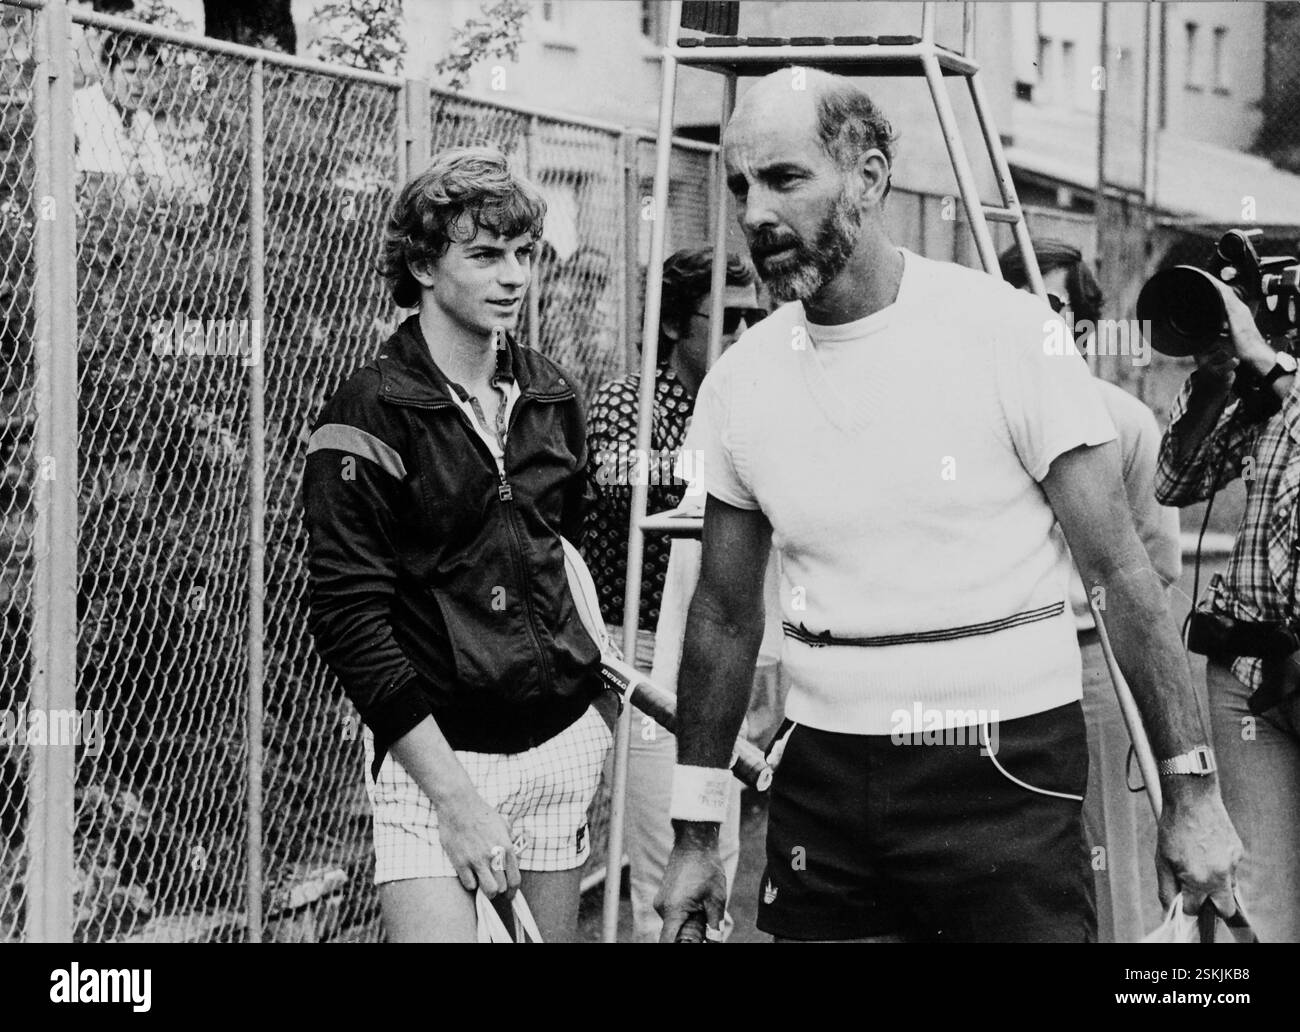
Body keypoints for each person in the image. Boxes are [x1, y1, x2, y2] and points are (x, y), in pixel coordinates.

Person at [655, 68, 1241, 944]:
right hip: (825, 778)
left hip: (1005, 767)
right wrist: (697, 831)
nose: (754, 213)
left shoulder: (1009, 336)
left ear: (871, 176)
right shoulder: (739, 382)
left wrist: (1191, 794)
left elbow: (1121, 574)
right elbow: (726, 616)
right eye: (740, 185)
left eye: (785, 178)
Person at [303, 147, 614, 943]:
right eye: (483, 255)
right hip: (436, 764)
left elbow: (563, 565)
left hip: (558, 750)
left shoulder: (553, 395)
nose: (513, 276)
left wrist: (596, 717)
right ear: (423, 264)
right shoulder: (369, 411)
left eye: (522, 254)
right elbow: (349, 621)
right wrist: (455, 800)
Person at [1000, 240, 1181, 942]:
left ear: (1079, 324)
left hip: (1092, 662)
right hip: (1001, 664)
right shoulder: (981, 422)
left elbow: (1156, 564)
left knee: (1111, 860)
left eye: (1049, 307)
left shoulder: (1123, 421)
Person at [580, 248, 763, 942]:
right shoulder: (633, 400)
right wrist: (719, 460)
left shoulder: (744, 404)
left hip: (719, 657)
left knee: (716, 857)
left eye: (756, 320)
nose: (745, 337)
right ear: (675, 328)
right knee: (669, 872)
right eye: (729, 320)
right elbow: (616, 467)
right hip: (647, 655)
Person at [1154, 273, 1300, 943]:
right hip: (1249, 671)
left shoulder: (1282, 382)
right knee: (1256, 906)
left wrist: (1274, 374)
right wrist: (1219, 376)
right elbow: (1174, 482)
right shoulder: (1265, 382)